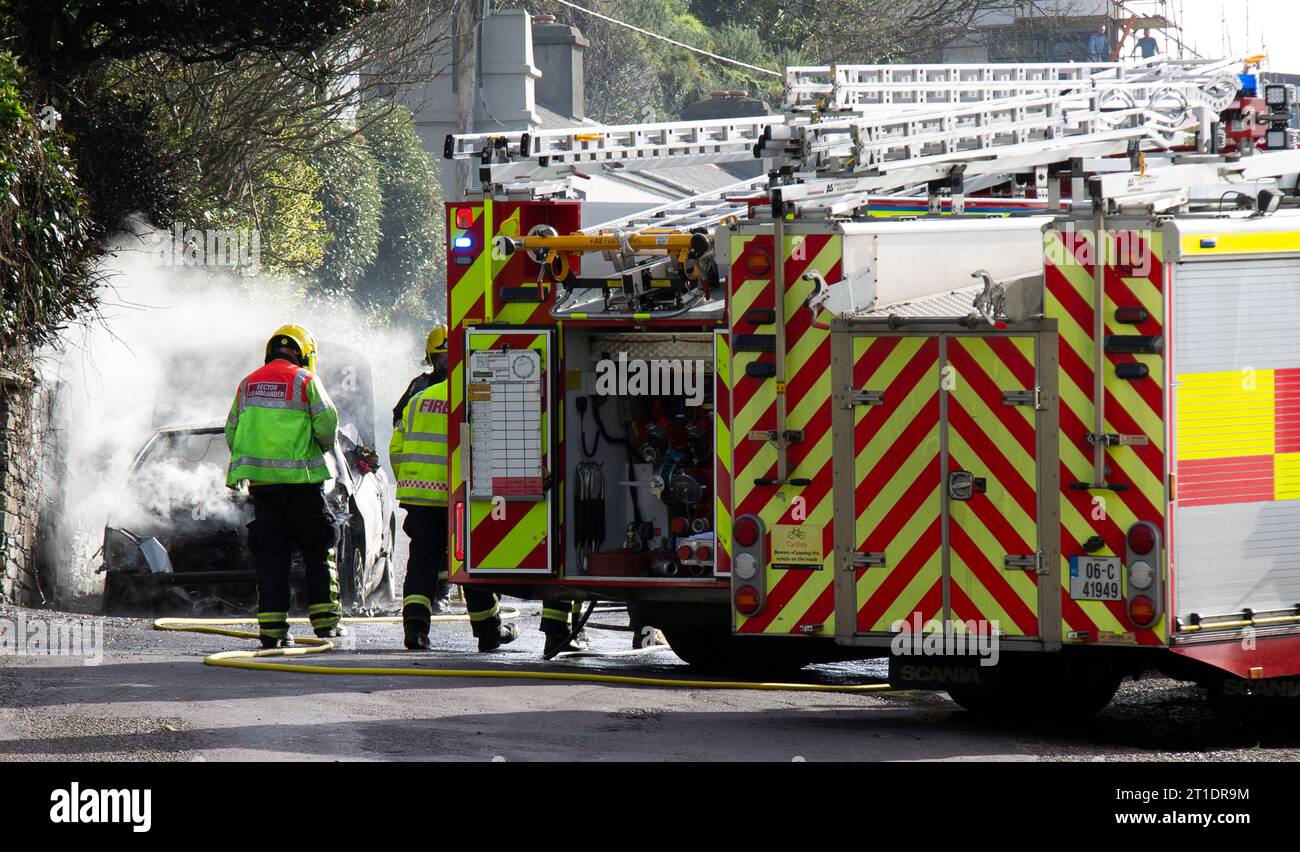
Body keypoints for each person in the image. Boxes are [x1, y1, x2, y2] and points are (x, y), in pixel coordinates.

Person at [391, 326, 518, 651]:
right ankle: (488, 632)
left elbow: (397, 446)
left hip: (420, 497)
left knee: (422, 562)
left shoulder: (418, 398)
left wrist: (410, 480)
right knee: (472, 563)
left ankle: (416, 630)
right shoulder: (477, 395)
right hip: (462, 497)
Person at [226, 324, 344, 649]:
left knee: (271, 558)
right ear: (304, 354)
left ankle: (272, 631)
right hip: (303, 484)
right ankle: (326, 624)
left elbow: (231, 432)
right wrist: (321, 446)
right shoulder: (306, 380)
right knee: (318, 549)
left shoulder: (247, 383)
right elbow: (327, 422)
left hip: (264, 489)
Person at [391, 326, 454, 613]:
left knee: (426, 553)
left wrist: (408, 480)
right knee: (438, 549)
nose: (445, 362)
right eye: (441, 356)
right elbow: (399, 428)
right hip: (446, 487)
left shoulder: (421, 392)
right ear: (431, 358)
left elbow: (398, 441)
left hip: (424, 491)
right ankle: (440, 598)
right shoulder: (421, 387)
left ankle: (434, 600)